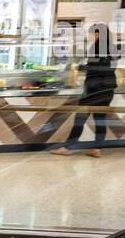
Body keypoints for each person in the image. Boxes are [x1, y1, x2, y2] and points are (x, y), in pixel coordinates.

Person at [51, 22, 119, 158]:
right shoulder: (113, 48)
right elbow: (109, 67)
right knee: (100, 119)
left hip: (94, 89)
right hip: (107, 89)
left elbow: (97, 68)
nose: (92, 36)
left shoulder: (98, 47)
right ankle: (97, 148)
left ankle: (68, 147)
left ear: (98, 34)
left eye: (93, 33)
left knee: (80, 118)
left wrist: (80, 68)